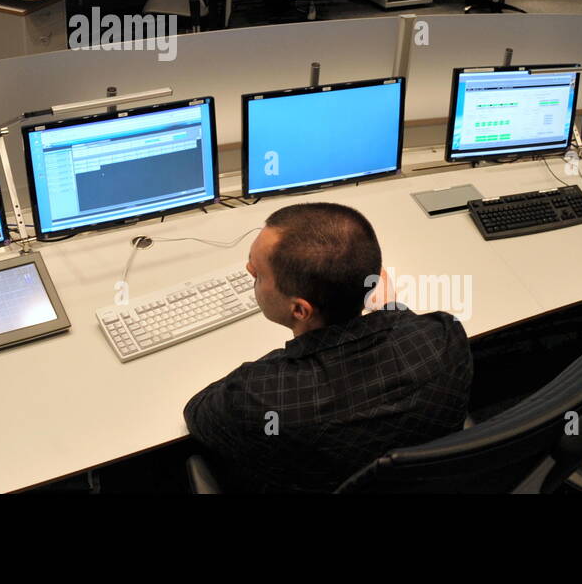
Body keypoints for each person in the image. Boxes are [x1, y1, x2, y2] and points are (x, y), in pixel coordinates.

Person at [183, 203, 473, 493]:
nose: (249, 271)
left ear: (299, 310)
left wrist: (280, 360)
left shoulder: (260, 396)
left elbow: (197, 413)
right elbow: (411, 336)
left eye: (257, 273)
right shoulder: (445, 336)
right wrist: (391, 310)